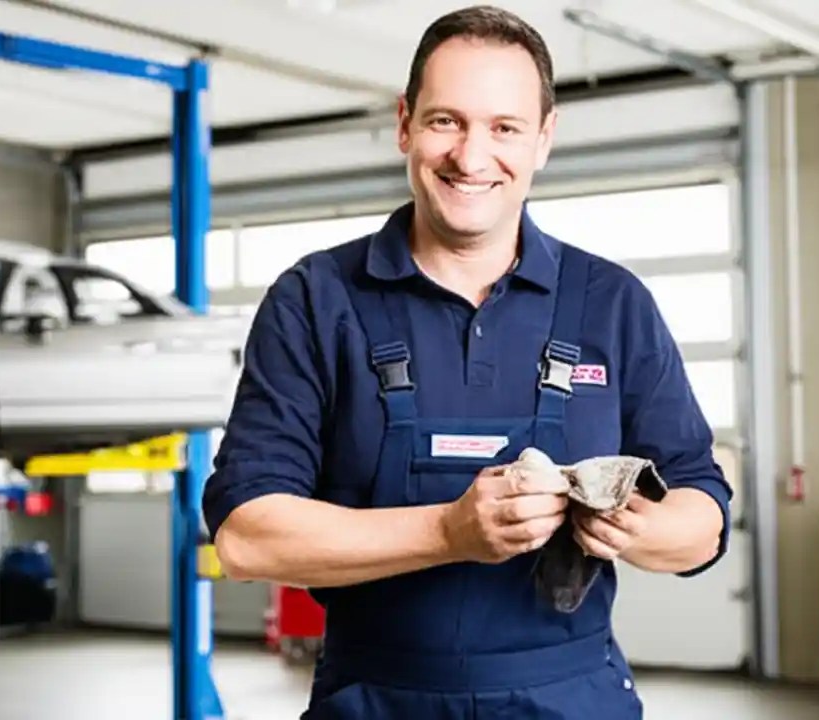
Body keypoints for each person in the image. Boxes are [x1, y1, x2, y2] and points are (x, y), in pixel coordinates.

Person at [201, 5, 732, 719]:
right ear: (405, 124)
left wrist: (641, 530)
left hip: (572, 700)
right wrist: (449, 532)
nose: (472, 158)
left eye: (504, 127)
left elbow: (703, 513)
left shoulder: (611, 303)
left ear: (544, 139)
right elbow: (246, 537)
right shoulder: (316, 300)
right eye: (446, 121)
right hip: (374, 701)